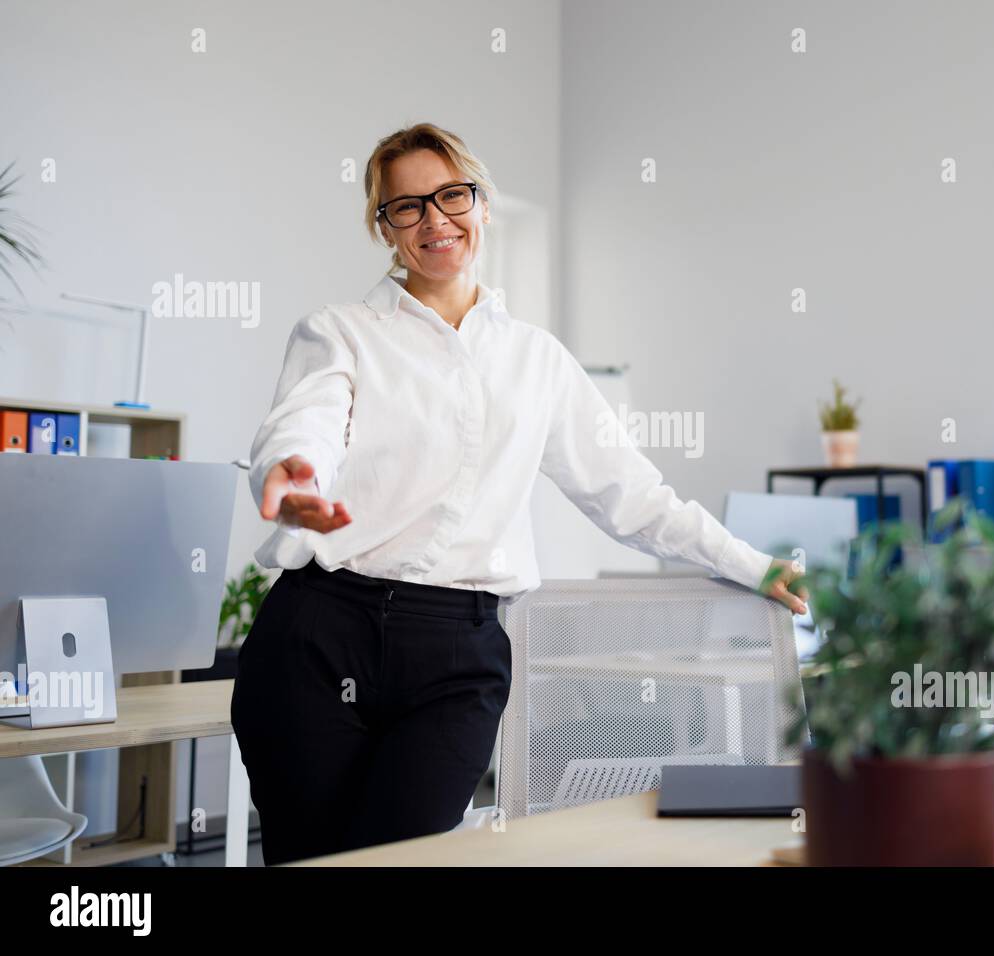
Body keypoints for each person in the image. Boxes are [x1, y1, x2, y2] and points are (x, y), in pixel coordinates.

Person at [230, 122, 807, 865]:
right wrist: (294, 476)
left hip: (456, 653)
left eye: (451, 195)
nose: (434, 219)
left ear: (483, 203)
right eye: (406, 207)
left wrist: (752, 565)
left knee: (398, 858)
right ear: (385, 229)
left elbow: (633, 498)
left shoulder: (539, 362)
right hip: (319, 635)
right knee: (306, 860)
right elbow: (306, 423)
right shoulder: (341, 332)